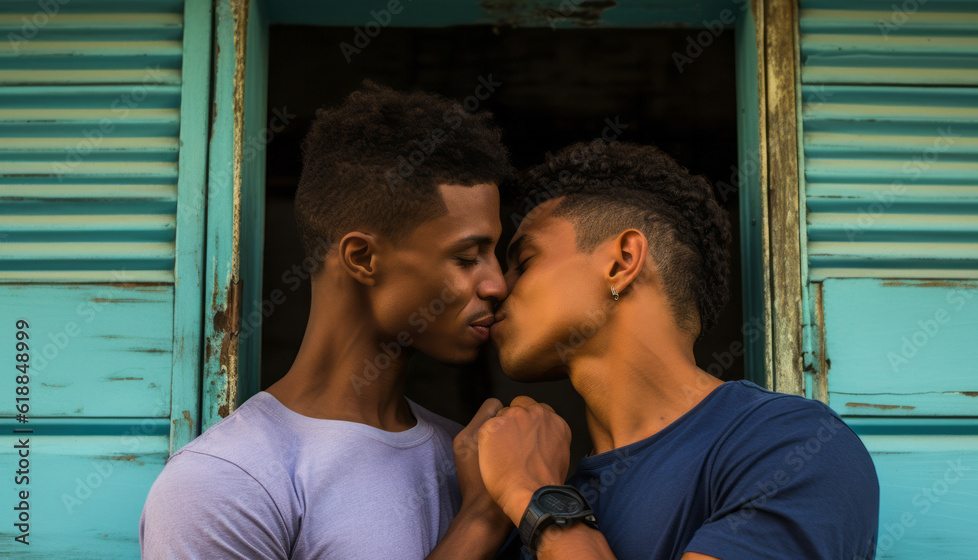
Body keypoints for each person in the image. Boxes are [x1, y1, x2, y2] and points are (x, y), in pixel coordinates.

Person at [139, 81, 516, 559]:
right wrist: (480, 521)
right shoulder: (225, 479)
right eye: (468, 257)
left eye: (495, 254)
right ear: (361, 258)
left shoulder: (473, 457)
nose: (497, 284)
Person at [478, 141, 880, 560]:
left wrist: (542, 505)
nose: (496, 287)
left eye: (523, 262)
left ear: (622, 261)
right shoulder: (526, 497)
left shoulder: (795, 447)